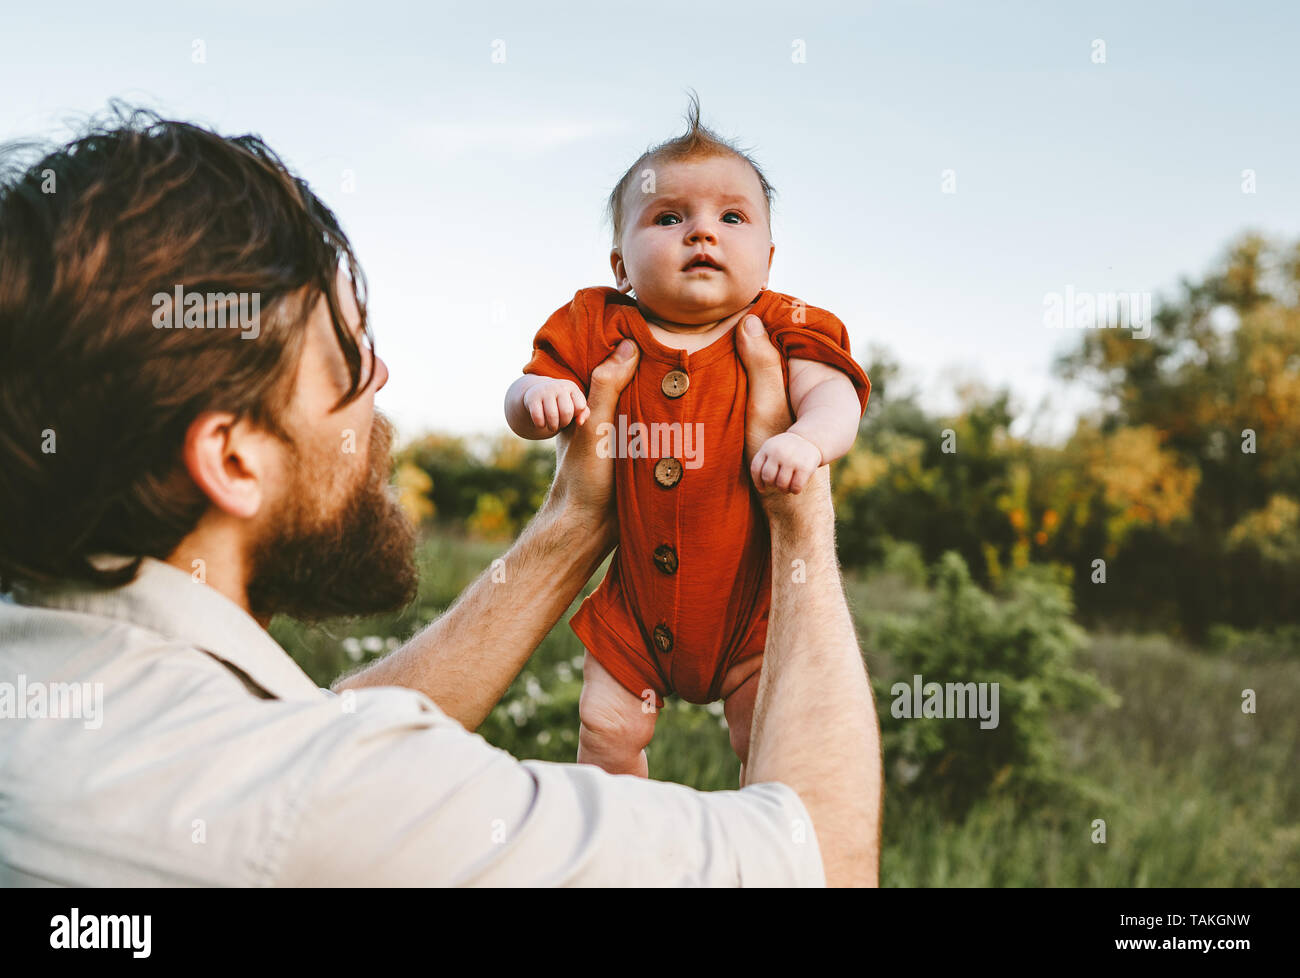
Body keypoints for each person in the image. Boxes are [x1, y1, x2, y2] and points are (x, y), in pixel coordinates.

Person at [0, 104, 882, 886]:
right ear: (232, 460)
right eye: (347, 355)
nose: (381, 374)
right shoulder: (314, 805)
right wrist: (799, 522)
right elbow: (820, 866)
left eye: (733, 217)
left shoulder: (62, 685)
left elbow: (306, 735)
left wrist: (576, 525)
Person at [504, 95, 871, 780]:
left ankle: (762, 855)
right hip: (635, 613)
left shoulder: (786, 321)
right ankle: (622, 842)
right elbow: (522, 393)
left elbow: (836, 395)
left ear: (767, 255)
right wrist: (539, 399)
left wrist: (809, 442)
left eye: (731, 217)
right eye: (669, 217)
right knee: (605, 728)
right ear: (620, 265)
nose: (702, 233)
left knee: (769, 741)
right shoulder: (596, 323)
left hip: (750, 611)